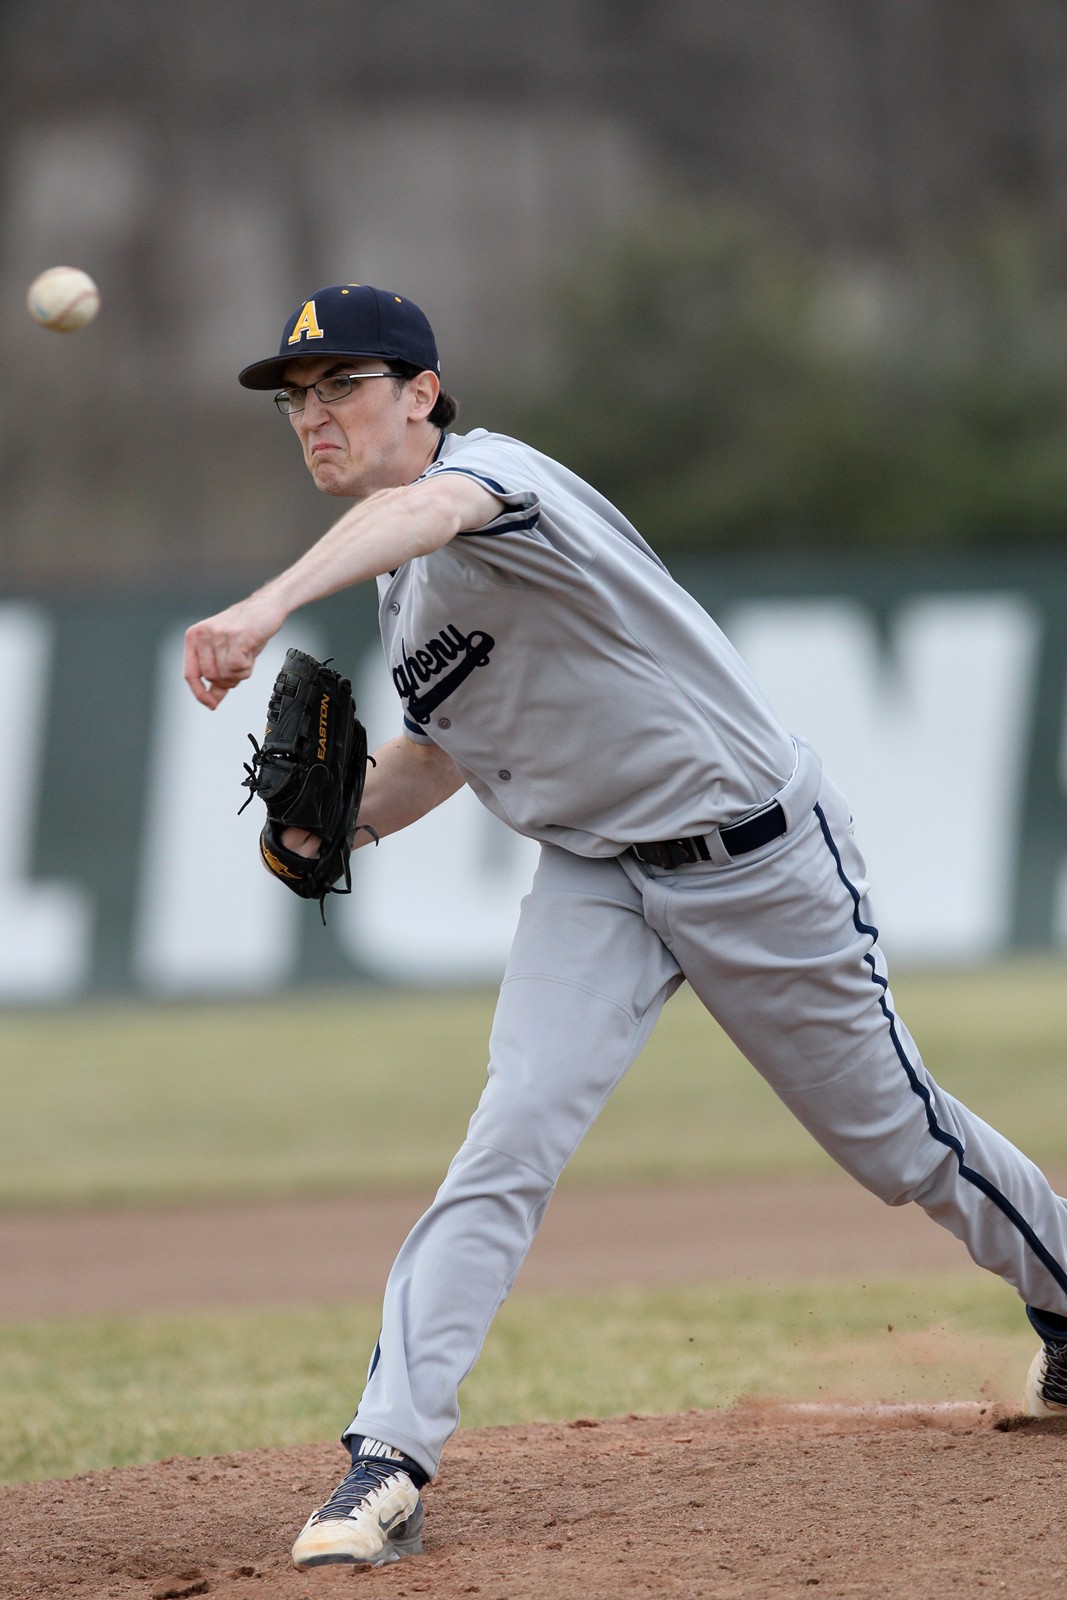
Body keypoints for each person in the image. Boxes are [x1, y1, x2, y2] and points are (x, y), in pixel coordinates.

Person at [184, 283, 1067, 1570]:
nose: (314, 416)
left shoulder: (493, 480)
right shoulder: (404, 594)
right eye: (297, 401)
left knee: (899, 1142)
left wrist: (262, 610)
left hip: (756, 857)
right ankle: (387, 1458)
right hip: (596, 873)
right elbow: (438, 752)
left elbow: (428, 507)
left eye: (343, 388)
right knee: (509, 1137)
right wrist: (336, 826)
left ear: (423, 394)